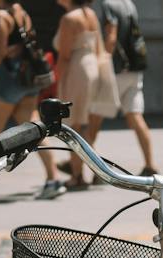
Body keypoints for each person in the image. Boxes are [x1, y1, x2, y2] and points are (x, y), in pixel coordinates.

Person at [0, 0, 67, 196]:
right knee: (34, 130)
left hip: (5, 80)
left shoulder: (3, 17)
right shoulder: (22, 13)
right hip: (26, 80)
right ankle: (53, 179)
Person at [55, 0, 117, 190]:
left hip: (77, 69)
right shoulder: (90, 14)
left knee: (75, 125)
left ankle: (78, 175)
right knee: (83, 124)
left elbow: (64, 55)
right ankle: (96, 171)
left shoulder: (69, 18)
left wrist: (56, 80)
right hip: (92, 66)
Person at [98, 0, 157, 170]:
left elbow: (111, 36)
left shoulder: (108, 4)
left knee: (94, 118)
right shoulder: (128, 3)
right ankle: (150, 163)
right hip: (134, 68)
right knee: (135, 116)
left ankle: (88, 169)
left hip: (116, 69)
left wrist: (102, 62)